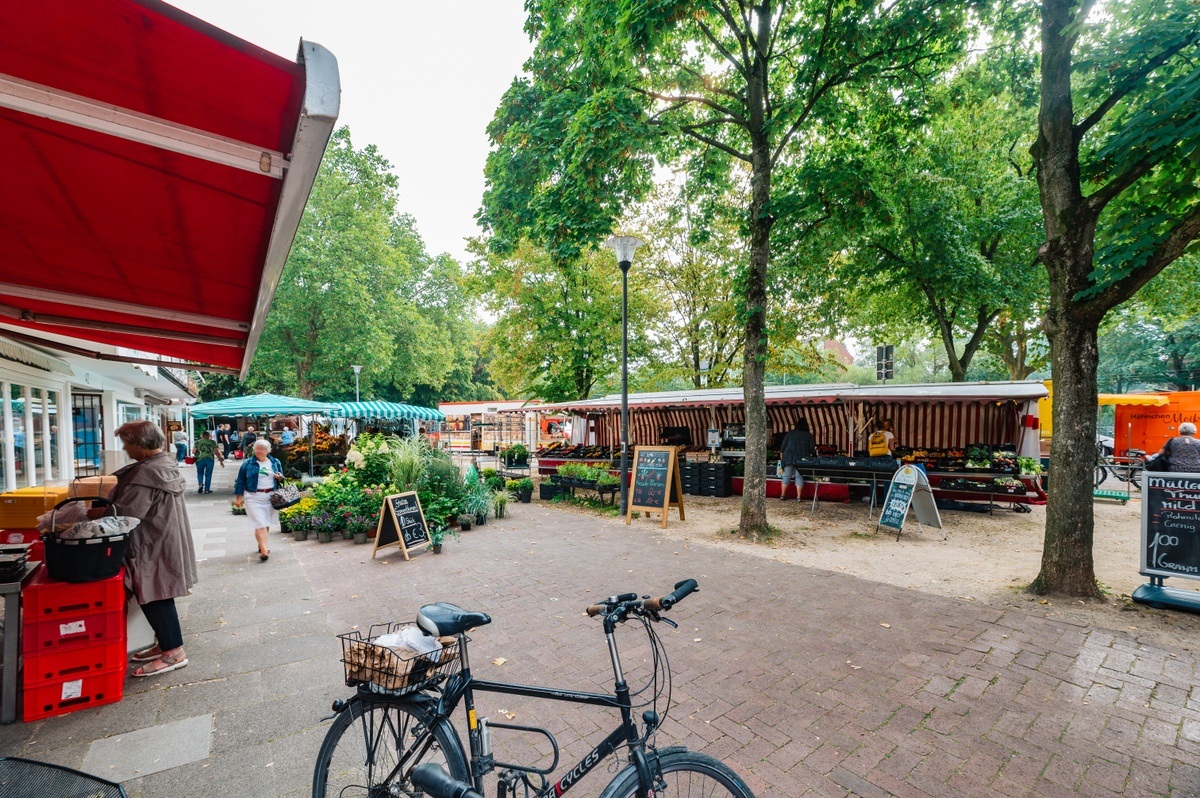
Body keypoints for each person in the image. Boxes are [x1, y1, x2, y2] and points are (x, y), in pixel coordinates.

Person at [90, 421, 198, 677]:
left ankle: (173, 653)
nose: (126, 450)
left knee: (154, 593)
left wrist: (96, 513)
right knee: (157, 590)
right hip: (163, 535)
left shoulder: (145, 474)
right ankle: (166, 644)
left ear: (140, 443)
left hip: (150, 541)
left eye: (127, 443)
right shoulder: (163, 464)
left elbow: (128, 513)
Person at [233, 439, 284, 561]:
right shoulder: (247, 464)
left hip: (270, 497)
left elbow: (282, 476)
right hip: (253, 497)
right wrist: (238, 498)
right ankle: (264, 551)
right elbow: (240, 481)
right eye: (257, 449)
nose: (259, 451)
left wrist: (280, 477)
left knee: (265, 522)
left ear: (268, 451)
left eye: (262, 449)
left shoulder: (275, 462)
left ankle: (262, 545)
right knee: (259, 523)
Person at [779, 418, 815, 501]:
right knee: (799, 477)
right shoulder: (808, 435)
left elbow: (783, 445)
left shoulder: (790, 433)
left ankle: (783, 495)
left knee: (787, 475)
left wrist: (781, 453)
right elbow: (811, 448)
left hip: (789, 457)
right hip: (801, 459)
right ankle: (798, 497)